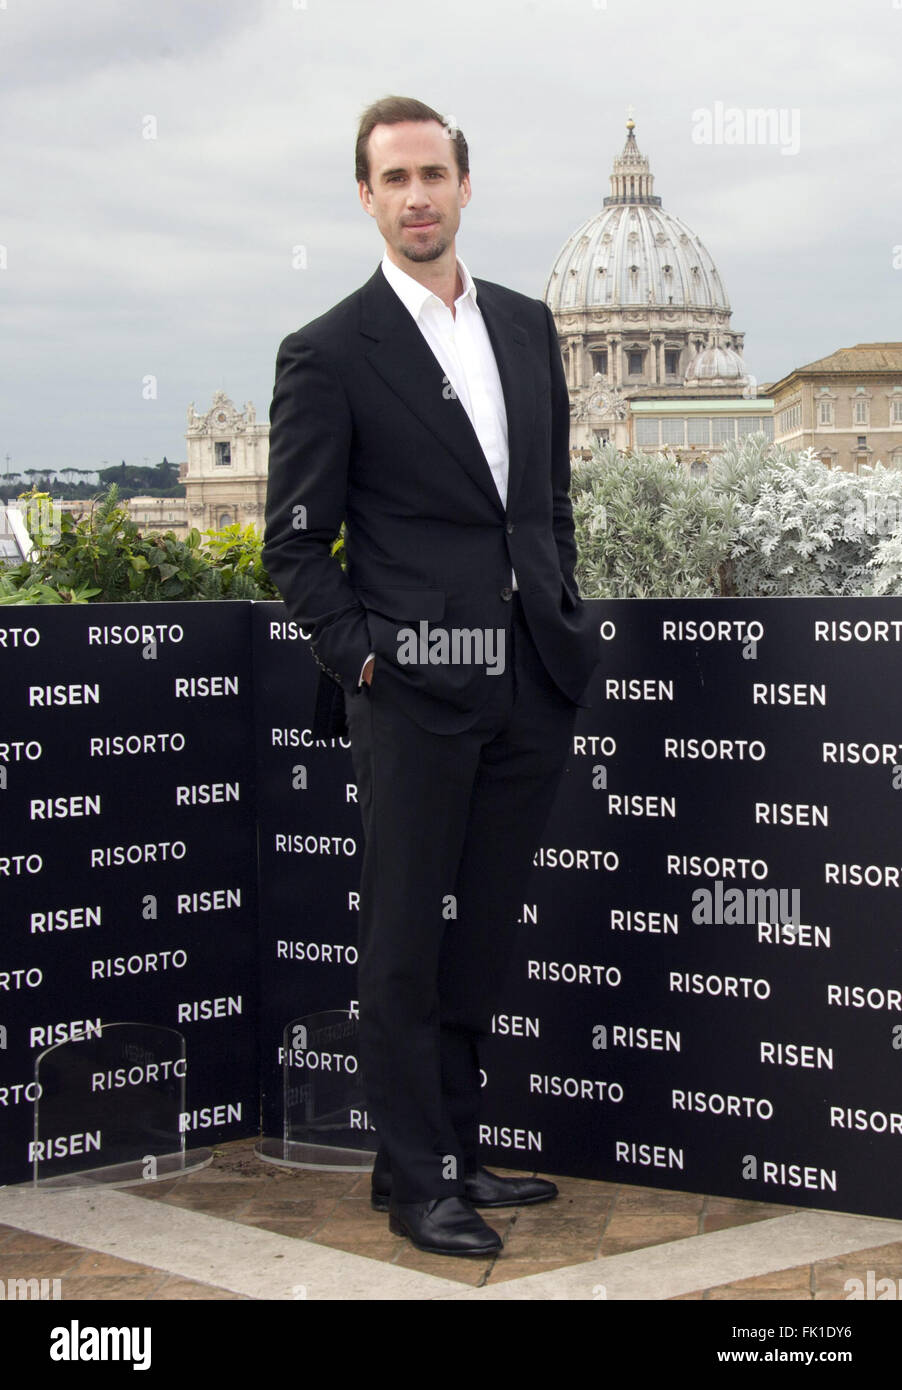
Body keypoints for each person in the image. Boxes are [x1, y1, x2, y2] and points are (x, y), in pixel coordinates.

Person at [263, 95, 601, 1257]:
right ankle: (412, 1181)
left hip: (528, 679)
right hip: (408, 688)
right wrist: (363, 655)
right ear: (364, 196)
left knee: (484, 935)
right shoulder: (324, 351)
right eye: (392, 178)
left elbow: (542, 501)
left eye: (432, 175)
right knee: (403, 944)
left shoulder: (523, 324)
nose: (416, 196)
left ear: (465, 185)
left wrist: (557, 612)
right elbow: (293, 547)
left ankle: (450, 1149)